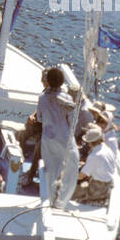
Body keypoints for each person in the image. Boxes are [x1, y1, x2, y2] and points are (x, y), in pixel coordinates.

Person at [36, 67, 79, 207]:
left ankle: (48, 199)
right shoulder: (67, 98)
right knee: (69, 172)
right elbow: (73, 122)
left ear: (48, 81)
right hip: (64, 139)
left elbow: (40, 118)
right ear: (62, 83)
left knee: (50, 169)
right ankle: (60, 203)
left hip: (48, 139)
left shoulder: (42, 98)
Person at [73, 125, 115, 205]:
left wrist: (67, 177)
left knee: (65, 190)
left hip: (97, 189)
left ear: (90, 142)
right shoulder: (107, 149)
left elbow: (81, 176)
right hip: (107, 185)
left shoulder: (94, 155)